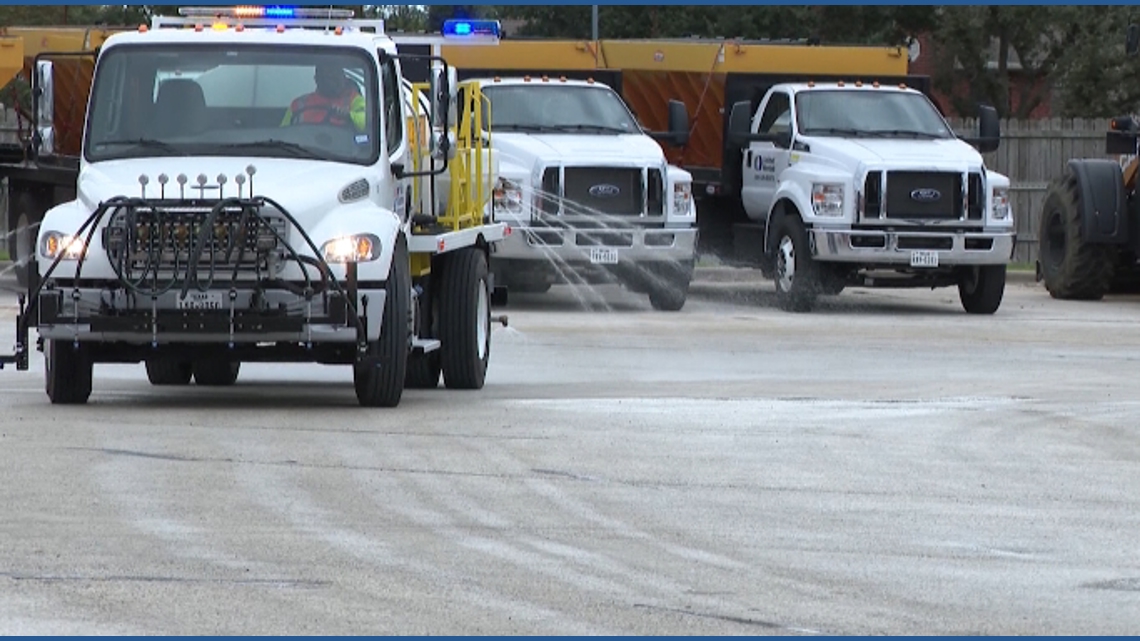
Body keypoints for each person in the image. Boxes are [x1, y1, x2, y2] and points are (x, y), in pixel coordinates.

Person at [281, 61, 366, 132]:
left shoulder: (354, 99)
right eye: (327, 77)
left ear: (344, 78)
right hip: (301, 146)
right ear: (317, 79)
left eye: (336, 77)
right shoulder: (299, 104)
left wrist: (349, 116)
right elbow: (283, 133)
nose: (332, 82)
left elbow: (367, 122)